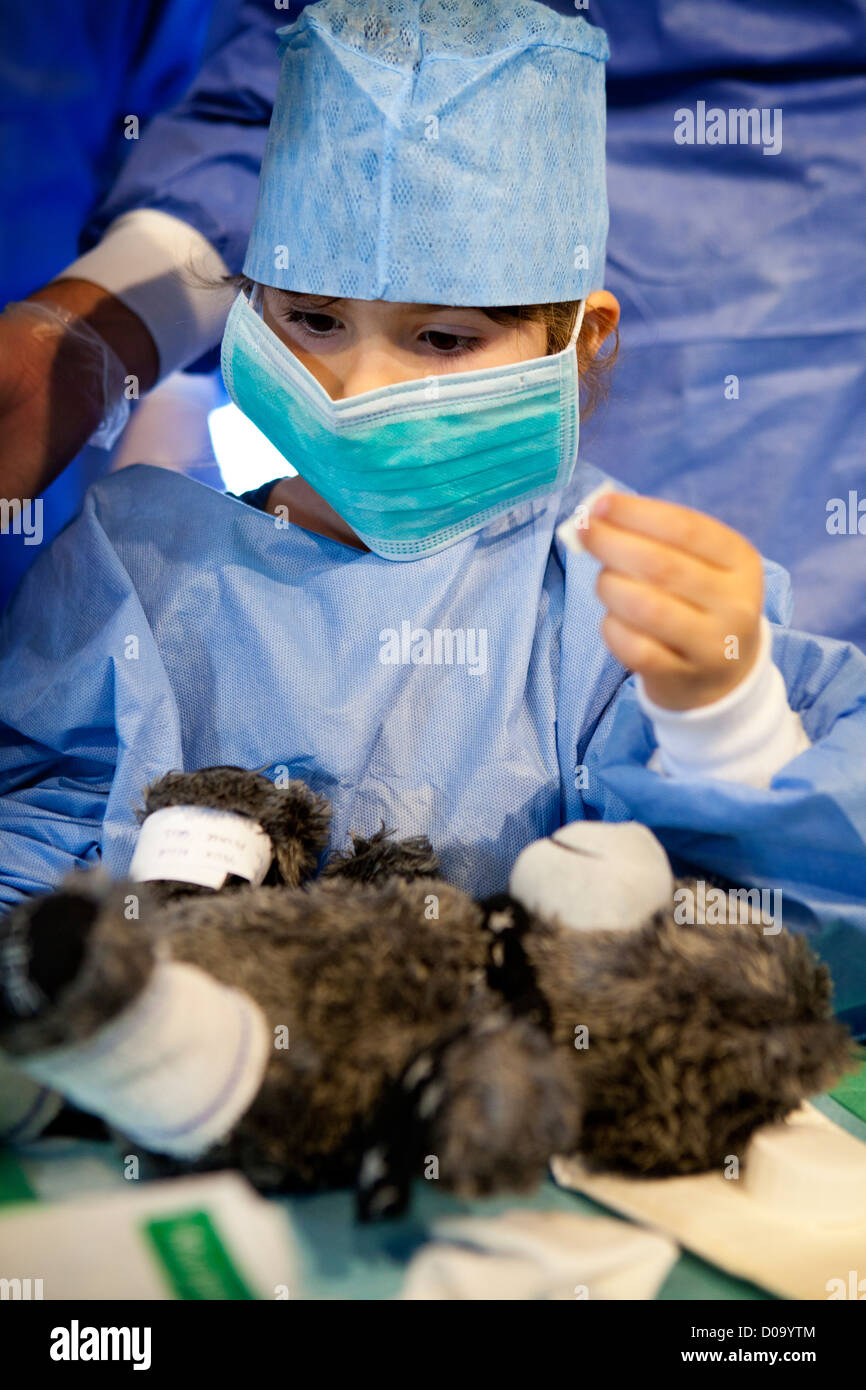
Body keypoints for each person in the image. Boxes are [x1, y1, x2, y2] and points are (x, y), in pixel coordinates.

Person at [0, 1, 864, 1031]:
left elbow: (784, 945)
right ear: (246, 303)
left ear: (579, 343)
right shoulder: (140, 567)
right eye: (312, 320)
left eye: (443, 340)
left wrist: (720, 718)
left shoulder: (609, 602)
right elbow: (42, 848)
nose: (360, 386)